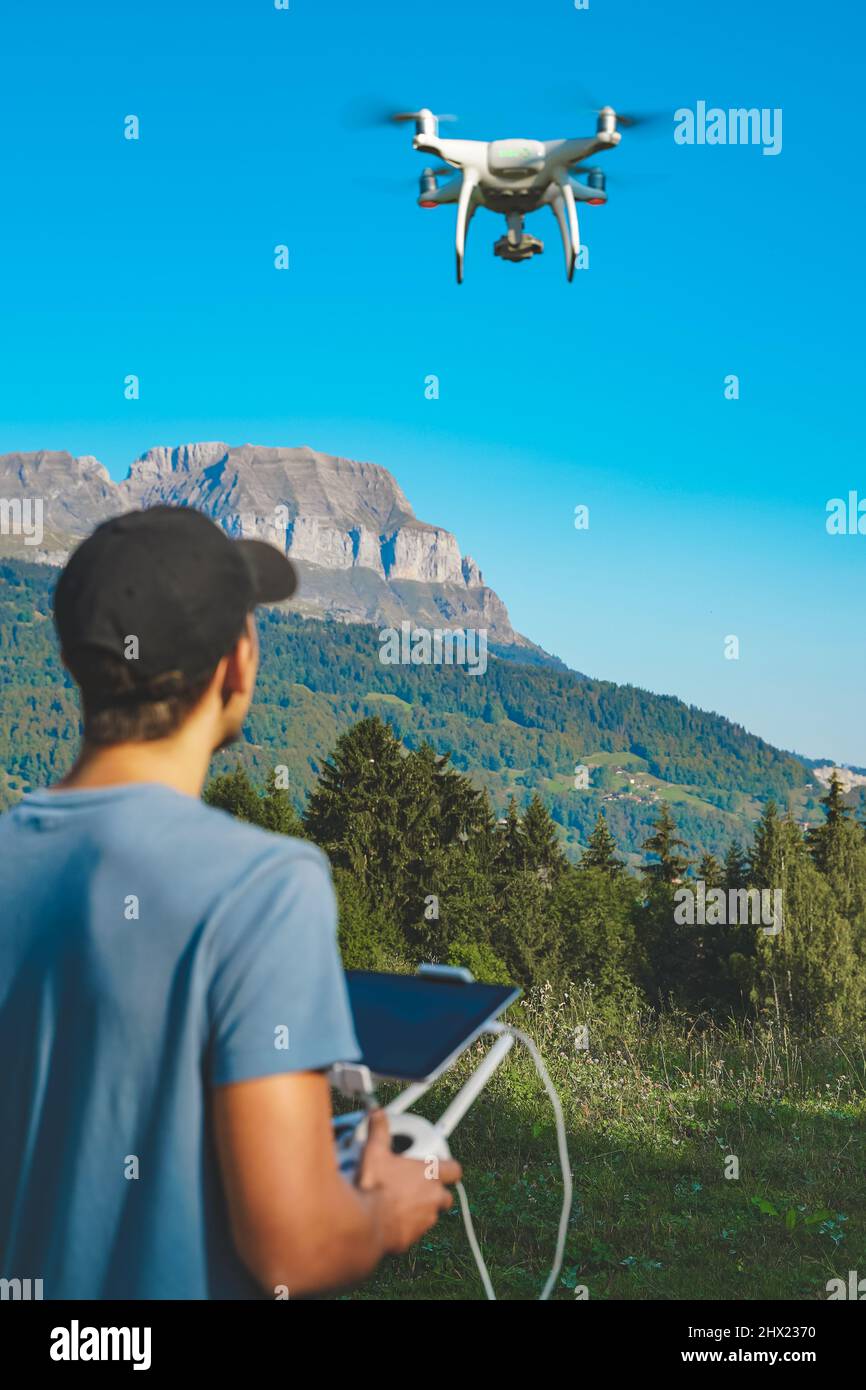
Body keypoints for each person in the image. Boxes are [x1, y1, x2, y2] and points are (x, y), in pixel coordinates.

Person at [0, 506, 460, 1299]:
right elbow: (298, 1250)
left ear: (79, 664)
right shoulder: (266, 886)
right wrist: (387, 1205)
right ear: (237, 666)